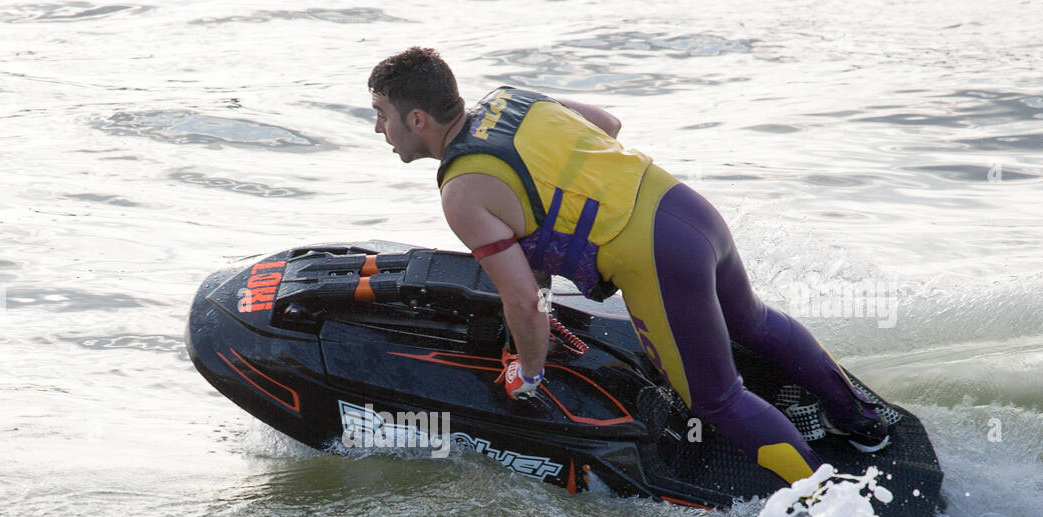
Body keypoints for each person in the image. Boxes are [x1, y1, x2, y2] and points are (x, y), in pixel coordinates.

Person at [367, 47, 889, 486]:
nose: (377, 129)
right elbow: (608, 125)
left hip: (658, 261)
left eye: (382, 114)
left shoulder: (462, 193)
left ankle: (826, 495)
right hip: (688, 209)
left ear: (417, 119)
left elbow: (524, 302)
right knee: (751, 320)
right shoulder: (510, 99)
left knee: (718, 400)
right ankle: (863, 422)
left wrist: (526, 375)